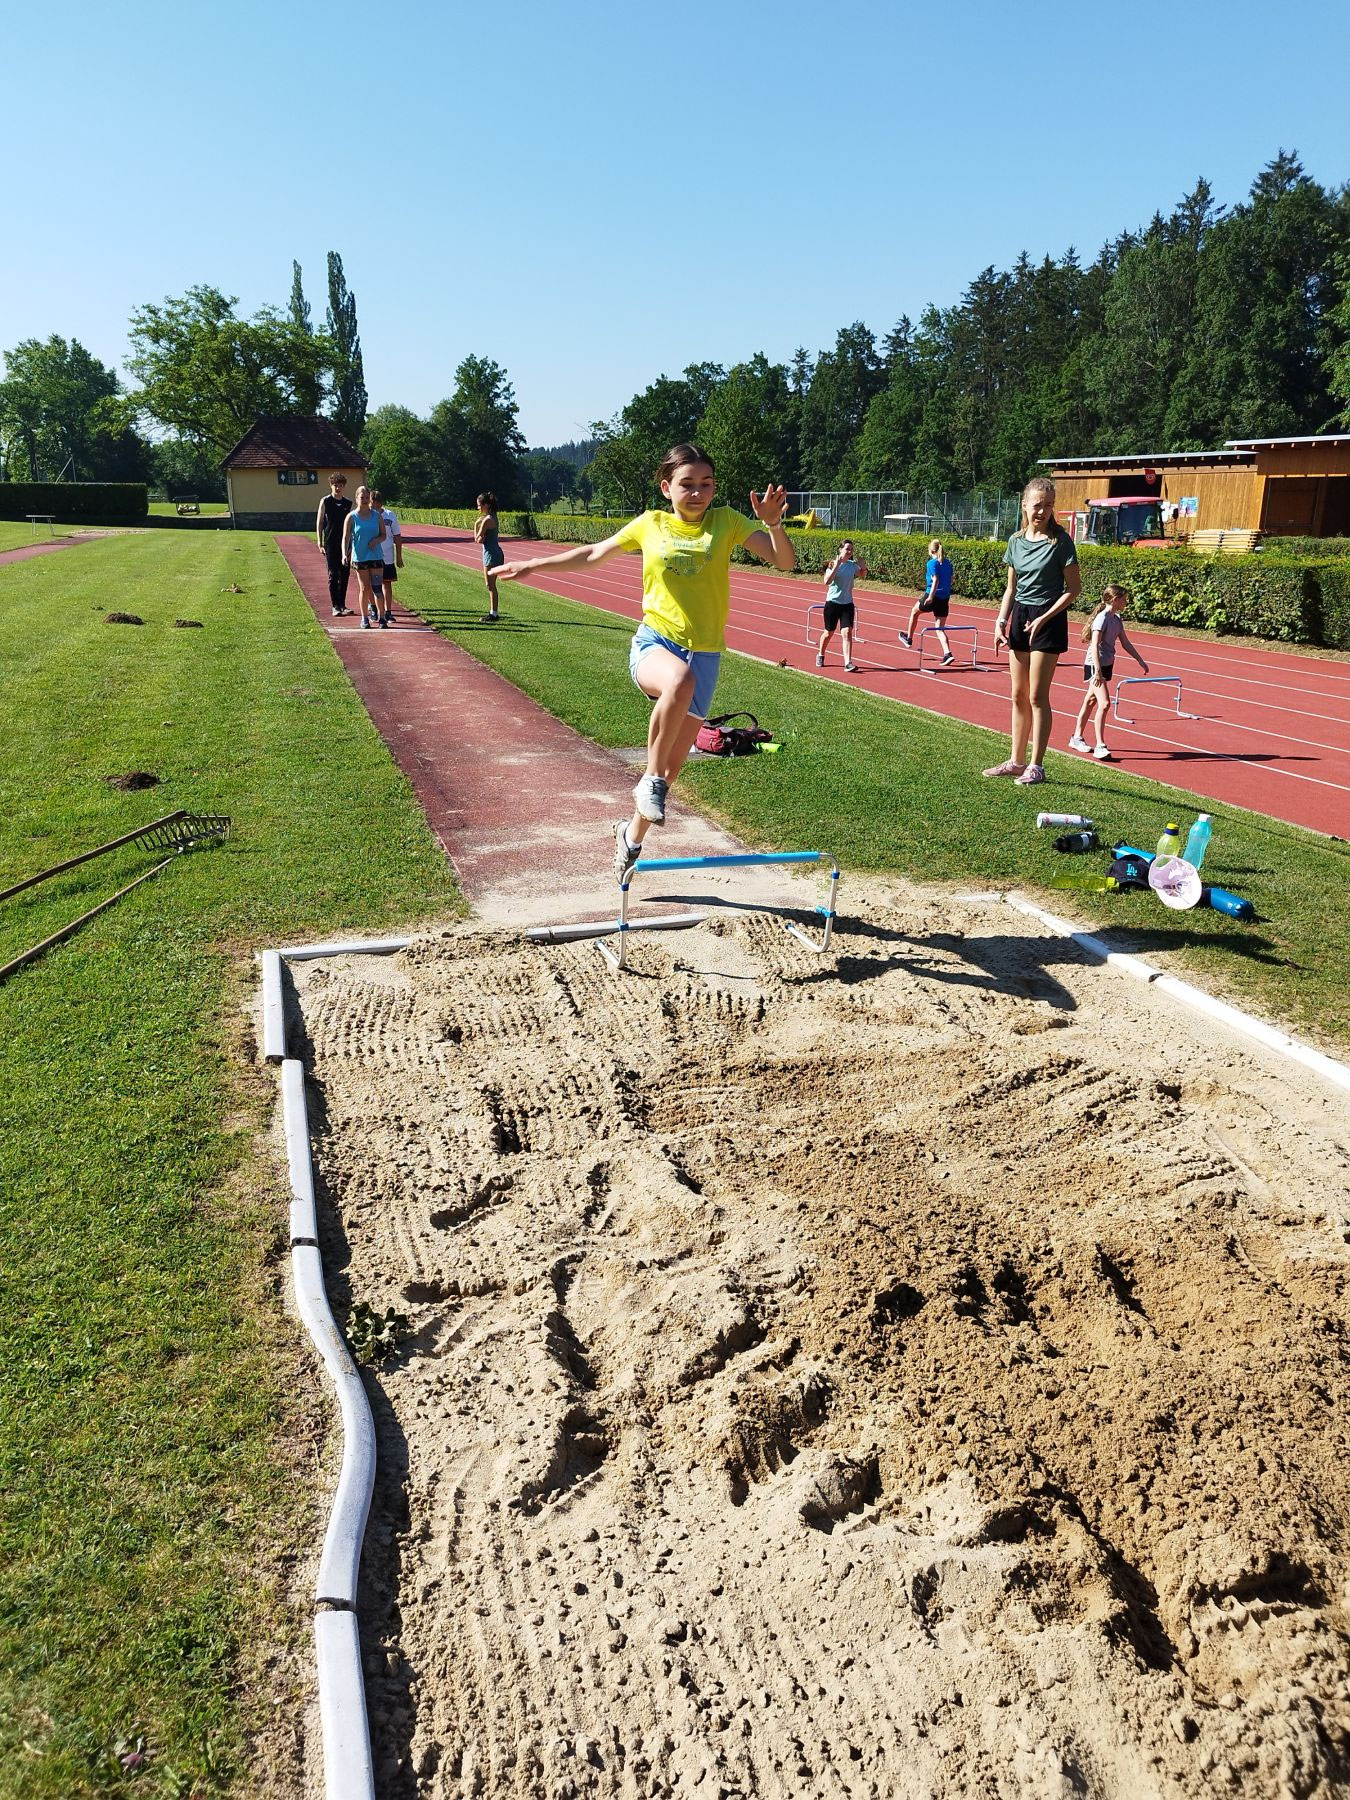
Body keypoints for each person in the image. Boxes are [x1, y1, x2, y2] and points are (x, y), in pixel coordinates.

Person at [493, 443, 794, 880]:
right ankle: (648, 779)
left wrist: (773, 524)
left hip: (705, 655)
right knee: (677, 685)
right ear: (666, 488)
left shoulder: (727, 521)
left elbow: (784, 562)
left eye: (706, 484)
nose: (697, 493)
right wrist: (536, 564)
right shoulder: (650, 524)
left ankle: (630, 837)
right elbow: (594, 554)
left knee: (673, 767)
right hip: (656, 645)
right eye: (687, 485)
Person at [984, 476, 1081, 785]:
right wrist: (1001, 621)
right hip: (1021, 615)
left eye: (1049, 506)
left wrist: (1044, 617)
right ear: (1024, 505)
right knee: (1018, 694)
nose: (1043, 511)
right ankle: (1016, 761)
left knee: (1038, 696)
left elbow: (1074, 589)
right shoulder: (1015, 541)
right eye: (1038, 505)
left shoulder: (1061, 542)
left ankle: (1036, 766)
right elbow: (1011, 588)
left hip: (1048, 617)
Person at [1069, 583, 1148, 760]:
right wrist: (1096, 671)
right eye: (1124, 599)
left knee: (1090, 701)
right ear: (1115, 599)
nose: (1126, 602)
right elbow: (1094, 646)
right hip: (1094, 665)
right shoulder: (1102, 619)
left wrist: (1140, 660)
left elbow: (1125, 643)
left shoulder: (1116, 619)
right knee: (1104, 703)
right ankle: (1100, 745)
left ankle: (1076, 737)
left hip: (1106, 664)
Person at [900, 539, 955, 664]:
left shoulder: (931, 563)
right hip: (944, 597)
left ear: (931, 551)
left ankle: (909, 638)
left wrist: (930, 596)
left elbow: (935, 580)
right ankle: (948, 653)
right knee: (940, 628)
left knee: (914, 612)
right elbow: (951, 579)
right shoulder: (948, 563)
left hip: (933, 596)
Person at [816, 541, 867, 672]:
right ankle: (821, 654)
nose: (849, 552)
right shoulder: (833, 564)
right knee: (828, 633)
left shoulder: (851, 565)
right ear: (840, 550)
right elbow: (826, 582)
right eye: (847, 549)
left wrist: (863, 567)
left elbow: (862, 575)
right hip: (832, 604)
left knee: (847, 632)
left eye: (851, 550)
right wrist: (836, 566)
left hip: (847, 604)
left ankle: (848, 663)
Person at [341, 485, 387, 629]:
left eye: (367, 498)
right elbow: (346, 537)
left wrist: (376, 540)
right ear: (357, 499)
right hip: (360, 557)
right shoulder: (351, 517)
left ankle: (382, 617)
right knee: (364, 588)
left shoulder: (377, 516)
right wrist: (344, 553)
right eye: (362, 498)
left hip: (376, 556)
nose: (365, 500)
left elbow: (383, 535)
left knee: (377, 588)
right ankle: (364, 618)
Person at [315, 474, 353, 616]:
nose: (338, 488)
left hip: (345, 543)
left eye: (340, 485)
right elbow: (319, 523)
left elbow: (352, 526)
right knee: (333, 574)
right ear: (331, 486)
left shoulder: (348, 504)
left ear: (344, 486)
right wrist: (319, 542)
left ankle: (342, 605)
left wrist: (351, 546)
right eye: (335, 485)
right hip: (330, 542)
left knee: (345, 574)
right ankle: (335, 606)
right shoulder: (325, 501)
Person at [371, 489, 403, 626]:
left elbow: (397, 536)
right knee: (373, 585)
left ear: (381, 504)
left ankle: (388, 611)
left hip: (388, 556)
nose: (376, 509)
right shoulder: (368, 516)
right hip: (372, 556)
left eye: (378, 506)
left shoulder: (390, 515)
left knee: (387, 584)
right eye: (373, 506)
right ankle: (374, 609)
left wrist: (399, 556)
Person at [475, 492, 505, 621]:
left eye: (479, 505)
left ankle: (494, 614)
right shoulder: (493, 516)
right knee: (491, 585)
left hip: (491, 554)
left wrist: (476, 525)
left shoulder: (486, 520)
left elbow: (478, 539)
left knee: (490, 585)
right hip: (496, 552)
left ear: (486, 505)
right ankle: (494, 613)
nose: (478, 508)